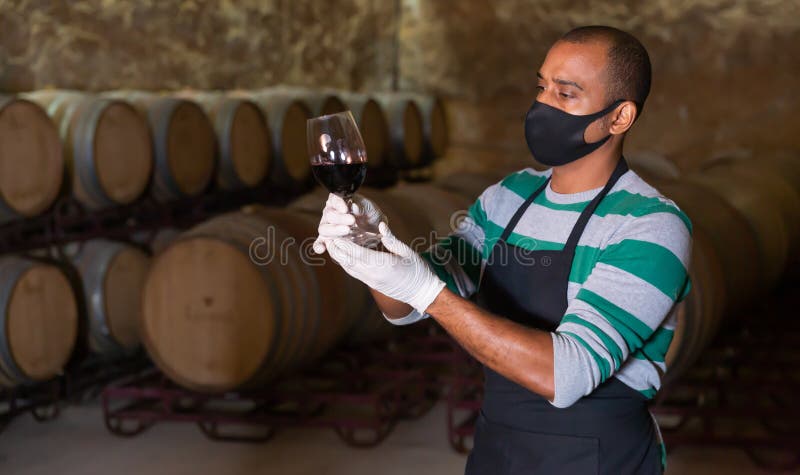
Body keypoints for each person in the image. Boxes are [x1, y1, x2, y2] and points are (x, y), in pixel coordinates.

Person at [313, 25, 691, 475]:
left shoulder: (650, 225)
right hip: (498, 450)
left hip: (599, 459)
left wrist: (427, 292)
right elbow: (404, 308)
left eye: (566, 94)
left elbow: (565, 374)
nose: (543, 105)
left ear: (620, 117)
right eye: (541, 87)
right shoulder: (508, 197)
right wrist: (371, 245)